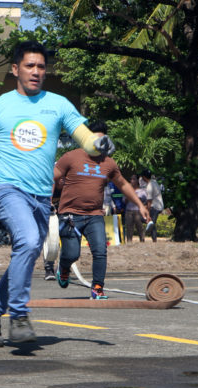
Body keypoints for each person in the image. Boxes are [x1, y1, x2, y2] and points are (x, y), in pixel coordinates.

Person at [0, 40, 117, 347]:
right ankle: (18, 315)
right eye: (30, 66)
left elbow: (83, 136)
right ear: (16, 69)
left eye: (41, 67)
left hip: (42, 196)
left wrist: (99, 145)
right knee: (29, 241)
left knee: (27, 253)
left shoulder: (58, 104)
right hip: (8, 189)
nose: (36, 72)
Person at [51, 121, 149, 299]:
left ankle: (97, 288)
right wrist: (46, 202)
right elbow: (51, 178)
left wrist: (141, 205)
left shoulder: (108, 163)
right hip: (69, 215)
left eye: (102, 138)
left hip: (94, 215)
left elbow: (123, 184)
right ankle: (64, 267)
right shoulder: (71, 157)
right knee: (72, 253)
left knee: (100, 251)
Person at [139, 170, 163, 241]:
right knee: (151, 223)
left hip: (155, 206)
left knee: (149, 222)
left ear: (144, 177)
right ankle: (154, 239)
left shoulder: (149, 186)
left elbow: (149, 201)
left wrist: (148, 212)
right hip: (159, 205)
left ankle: (151, 238)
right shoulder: (154, 182)